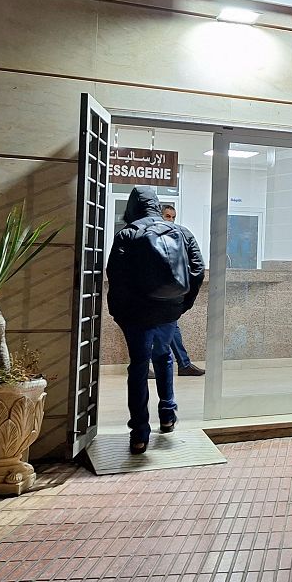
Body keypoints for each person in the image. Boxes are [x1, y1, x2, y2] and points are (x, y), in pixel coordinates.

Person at [106, 186, 206, 453]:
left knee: (138, 367)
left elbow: (116, 277)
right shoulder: (182, 232)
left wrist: (119, 313)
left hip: (137, 315)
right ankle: (168, 415)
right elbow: (197, 270)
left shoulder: (127, 234)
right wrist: (183, 305)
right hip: (169, 310)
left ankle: (139, 433)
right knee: (164, 358)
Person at [160, 203, 205, 377]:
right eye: (167, 216)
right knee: (160, 328)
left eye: (173, 217)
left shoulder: (180, 234)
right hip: (154, 292)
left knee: (170, 327)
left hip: (169, 292)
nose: (170, 220)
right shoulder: (150, 234)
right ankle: (183, 364)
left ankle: (184, 364)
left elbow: (194, 264)